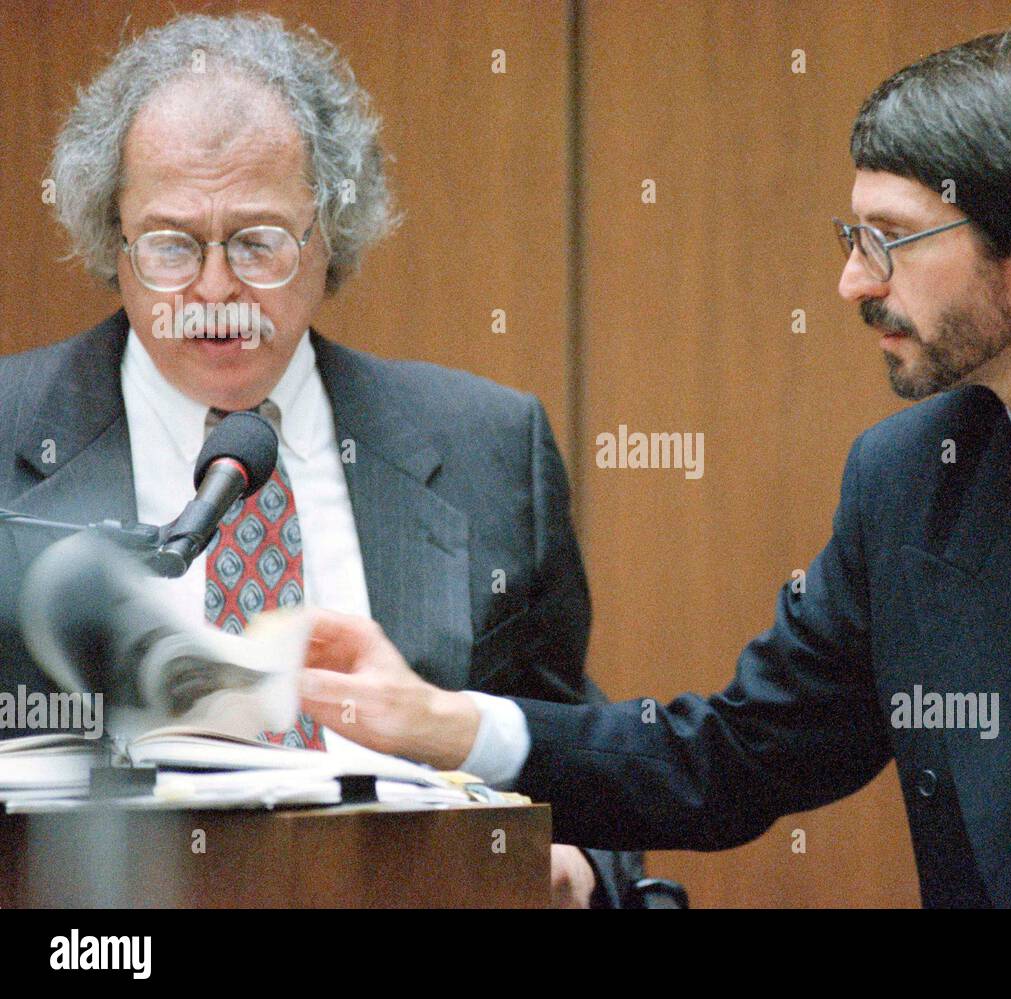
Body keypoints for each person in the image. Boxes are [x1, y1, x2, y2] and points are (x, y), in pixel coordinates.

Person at [293, 30, 1011, 908]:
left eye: (892, 241)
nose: (852, 280)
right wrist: (443, 722)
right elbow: (729, 760)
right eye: (853, 238)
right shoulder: (910, 486)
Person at [0, 12, 642, 909]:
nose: (215, 290)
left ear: (330, 234)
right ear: (115, 240)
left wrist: (577, 865)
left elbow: (568, 751)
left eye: (258, 241)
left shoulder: (488, 444)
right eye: (173, 244)